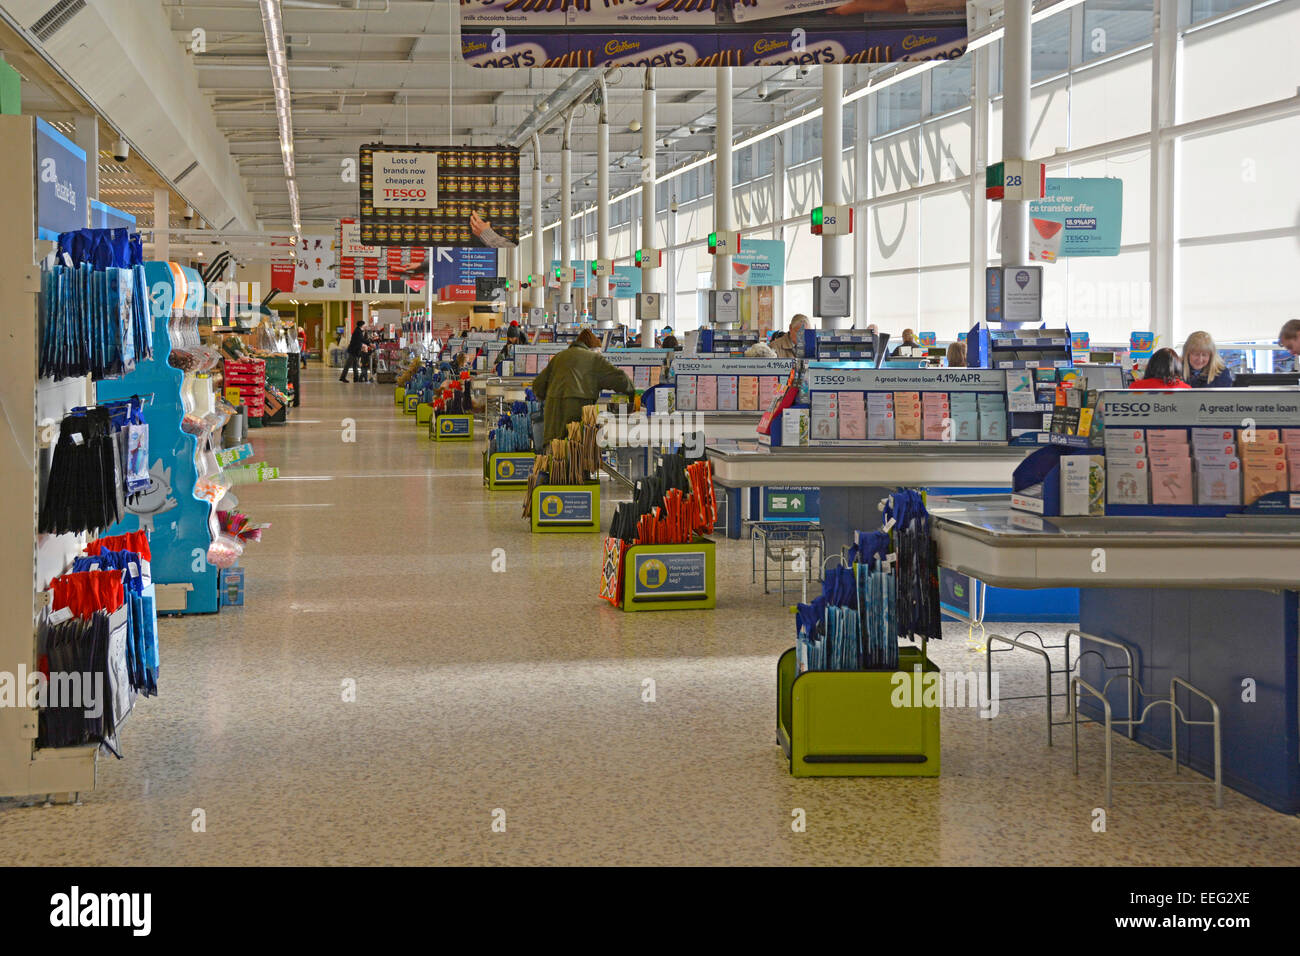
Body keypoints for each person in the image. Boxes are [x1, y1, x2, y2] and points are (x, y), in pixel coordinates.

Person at [531, 328, 635, 444]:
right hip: (577, 410)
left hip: (553, 413)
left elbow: (537, 386)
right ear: (593, 348)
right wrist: (633, 394)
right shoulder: (594, 359)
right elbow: (621, 380)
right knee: (576, 450)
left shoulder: (559, 356)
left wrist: (549, 397)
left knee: (555, 452)